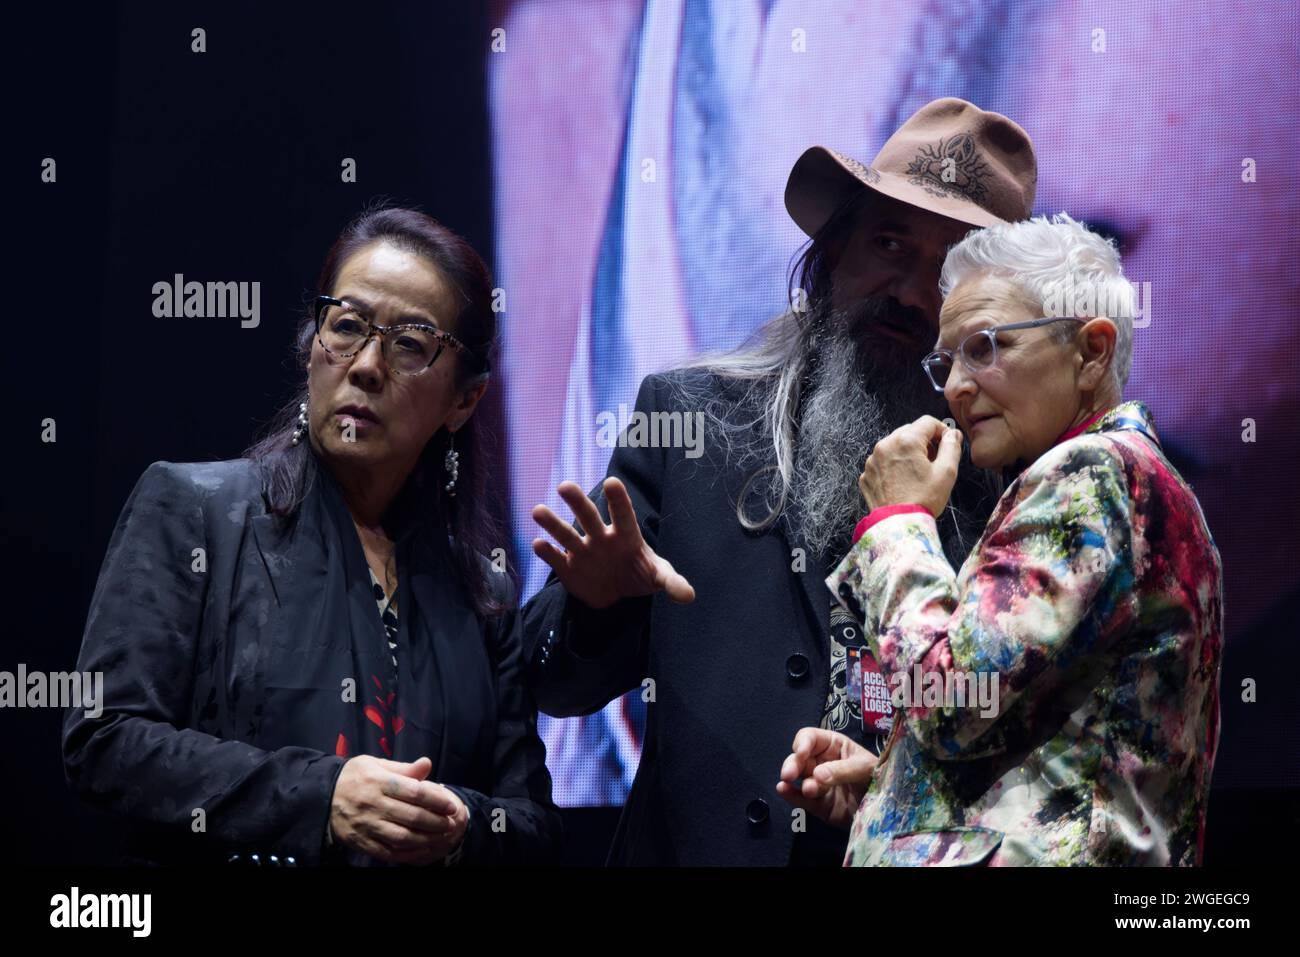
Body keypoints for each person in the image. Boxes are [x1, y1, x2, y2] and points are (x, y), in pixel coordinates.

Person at [522, 98, 1037, 864]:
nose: (908, 289)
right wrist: (595, 601)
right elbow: (548, 683)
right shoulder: (688, 420)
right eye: (888, 243)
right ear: (831, 254)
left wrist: (895, 786)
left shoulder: (1014, 493)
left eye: (949, 267)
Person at [63, 207, 561, 866]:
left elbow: (530, 825)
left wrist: (454, 824)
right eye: (348, 327)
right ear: (311, 347)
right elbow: (104, 738)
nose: (366, 366)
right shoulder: (195, 511)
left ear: (464, 400)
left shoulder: (481, 593)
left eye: (410, 342)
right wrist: (321, 797)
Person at [781, 213, 1223, 865]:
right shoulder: (1124, 478)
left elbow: (948, 699)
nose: (957, 385)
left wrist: (898, 521)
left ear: (1092, 350)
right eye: (946, 359)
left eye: (986, 345)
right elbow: (1057, 747)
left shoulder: (1089, 472)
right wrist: (894, 783)